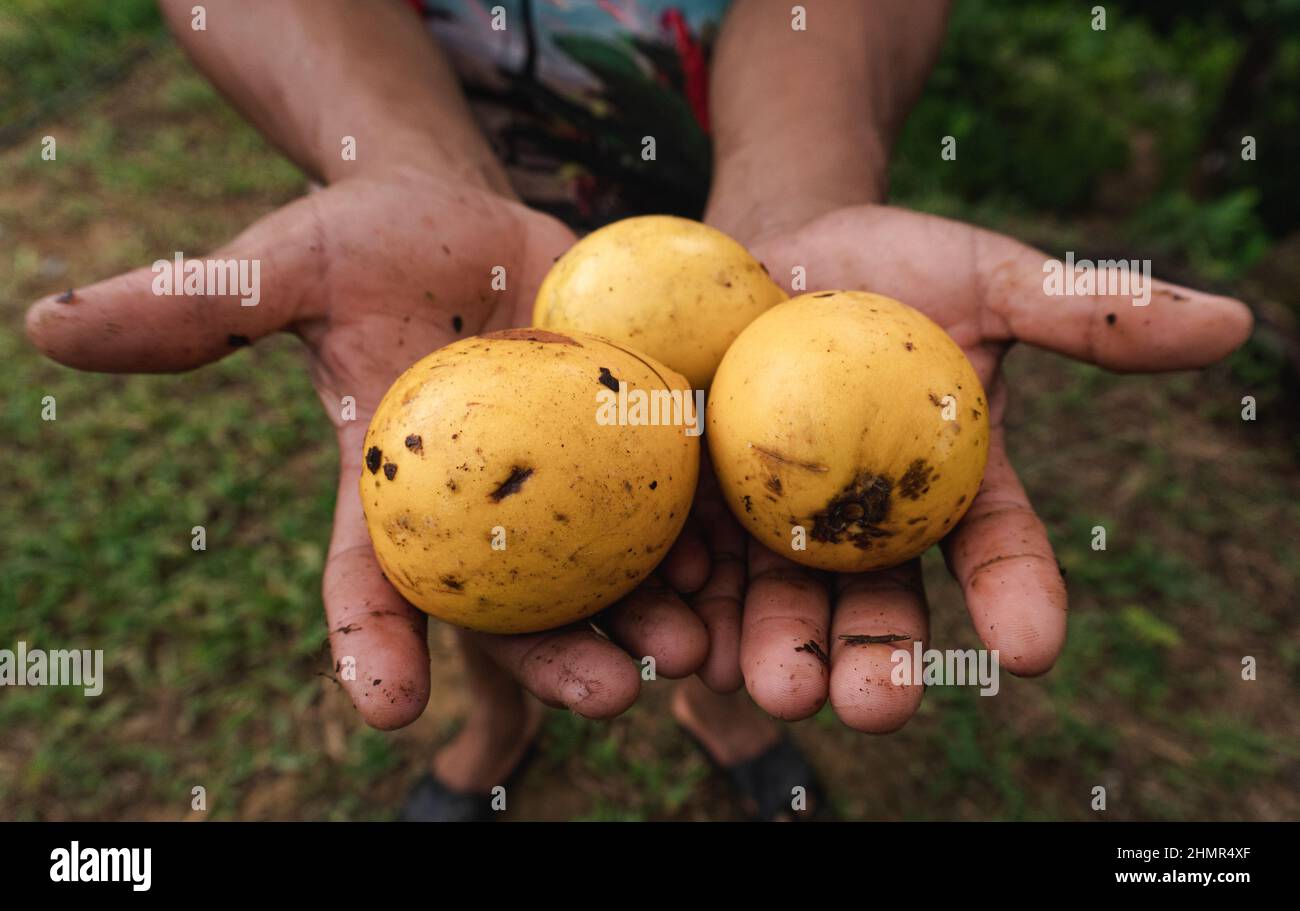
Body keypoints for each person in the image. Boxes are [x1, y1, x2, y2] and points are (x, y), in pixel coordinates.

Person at [25, 0, 1251, 821]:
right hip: (454, 227)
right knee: (471, 551)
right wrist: (401, 164)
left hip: (719, 161)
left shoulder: (754, 341)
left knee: (696, 581)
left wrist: (804, 187)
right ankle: (492, 727)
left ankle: (717, 706)